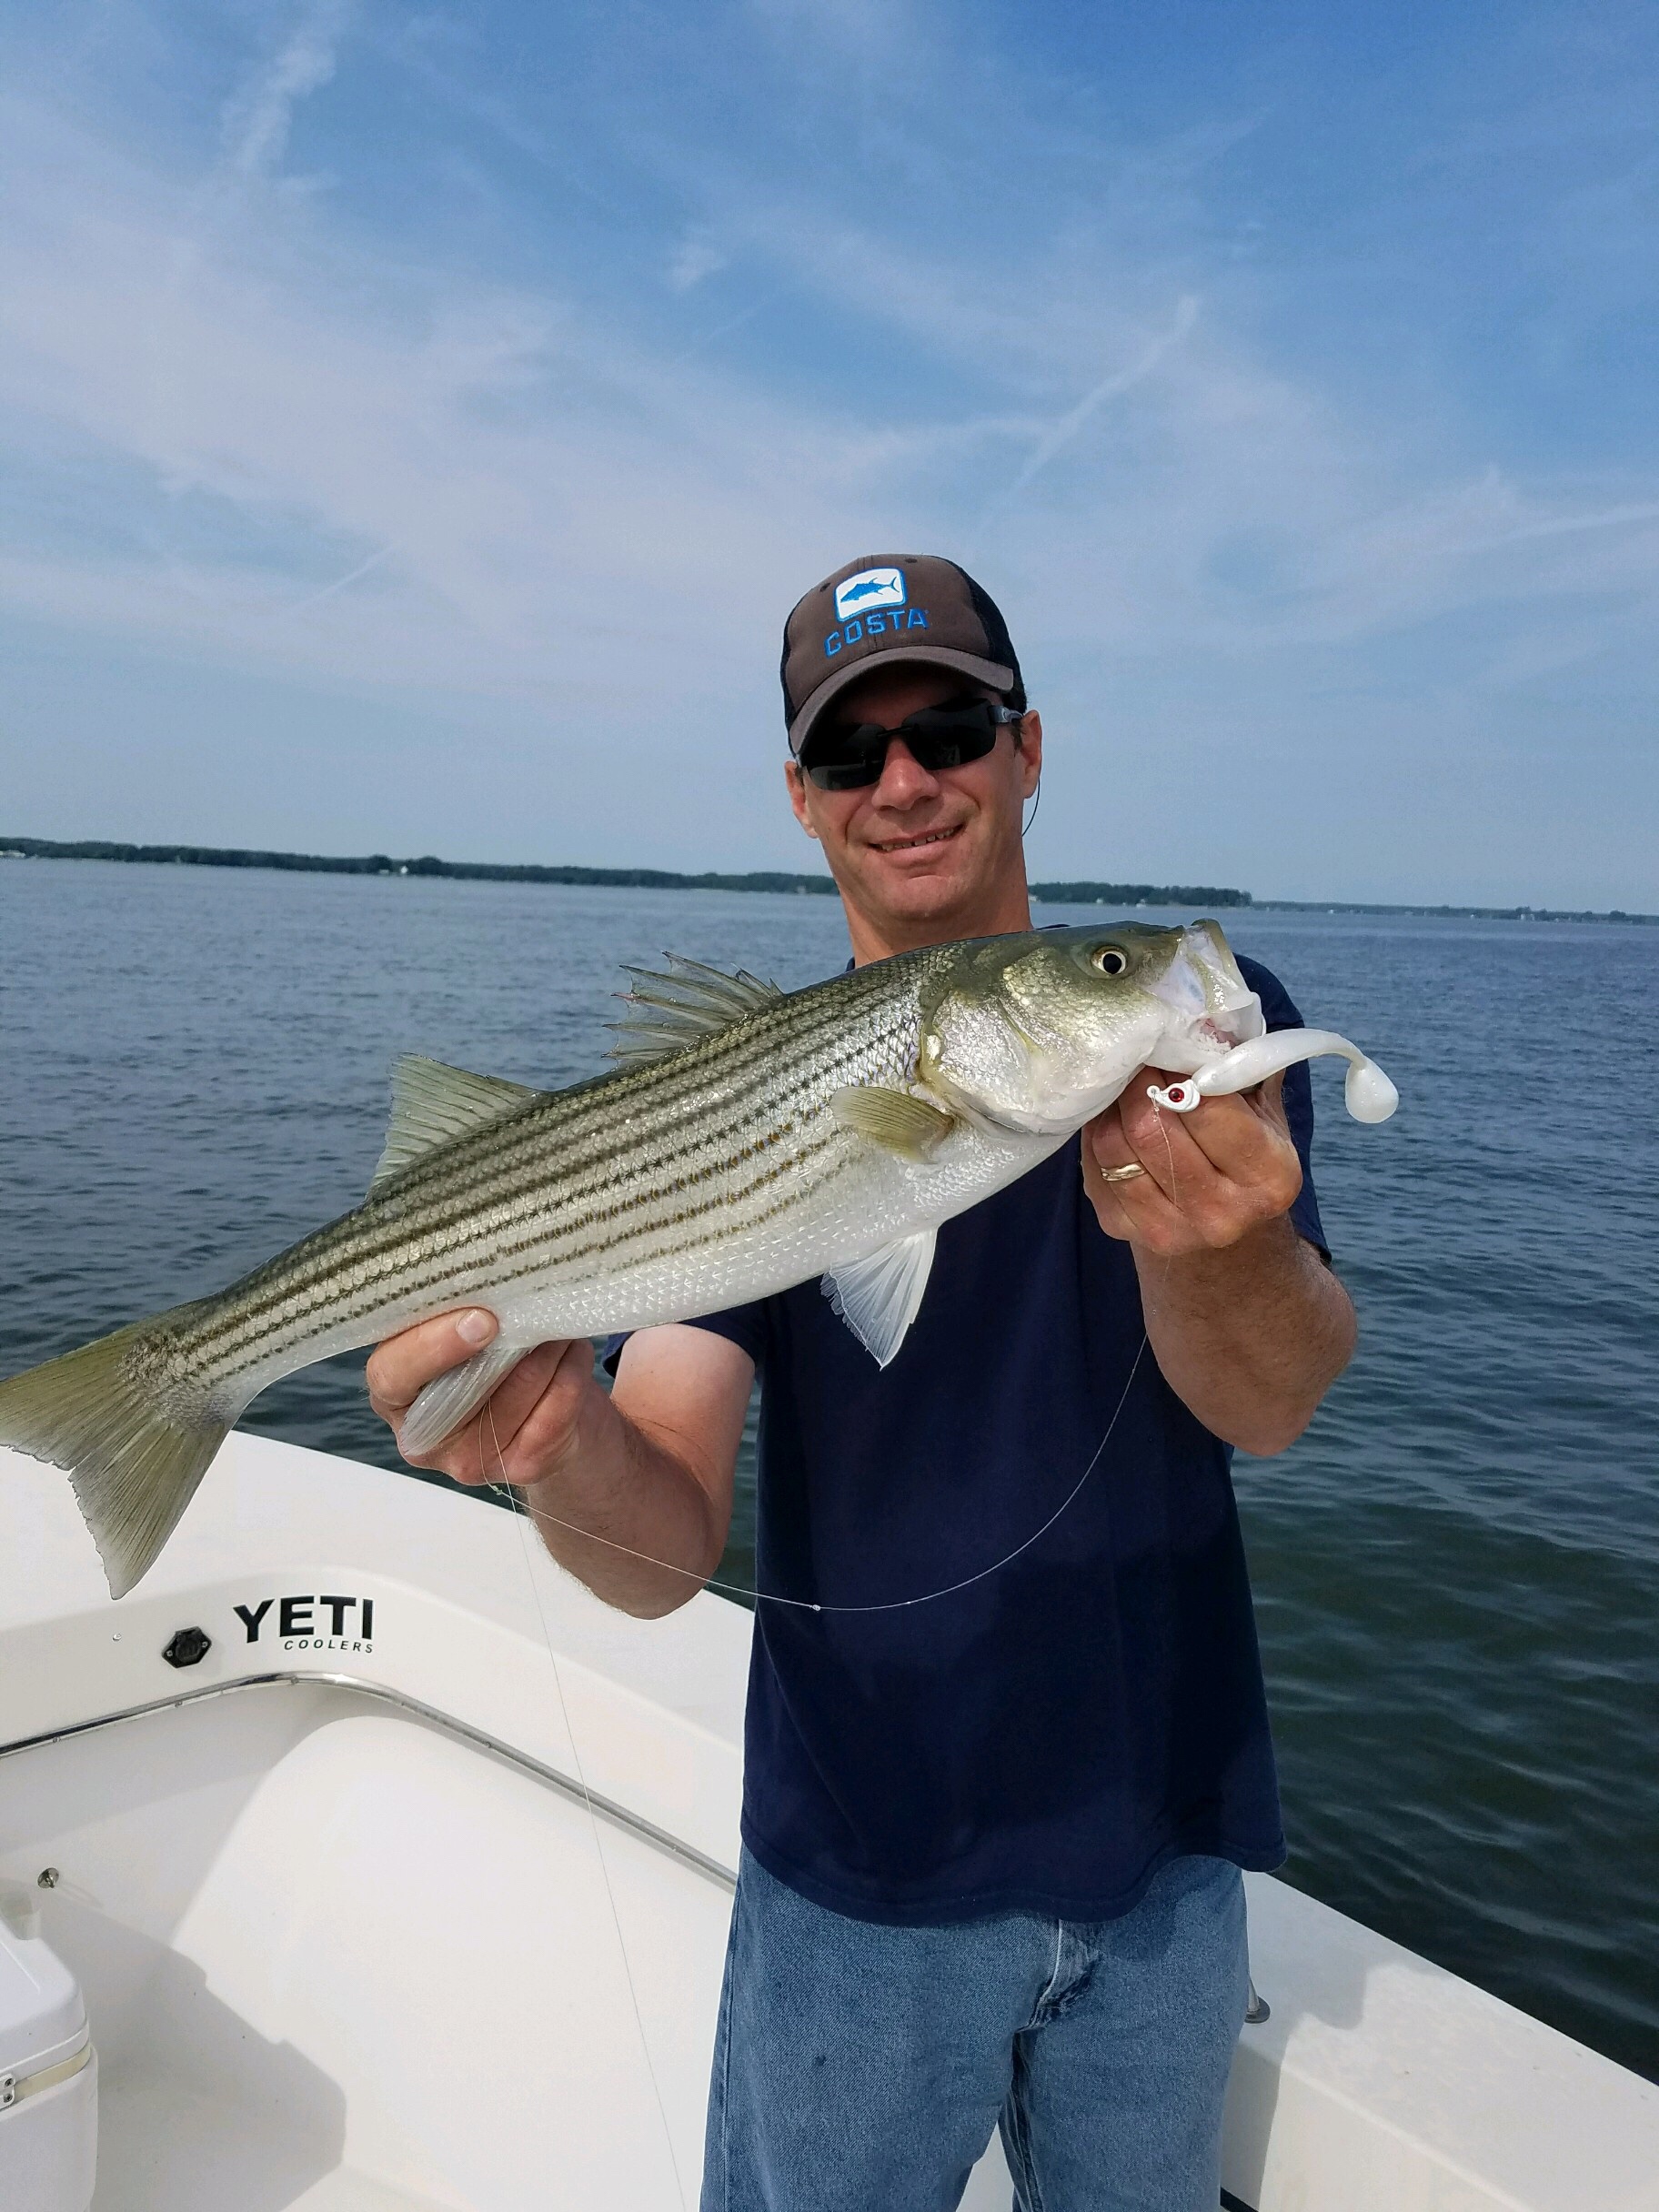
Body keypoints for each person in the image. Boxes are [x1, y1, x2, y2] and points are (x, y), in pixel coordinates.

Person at [366, 555, 1356, 2211]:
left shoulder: (1210, 1052)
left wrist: (1216, 1247)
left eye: (952, 729)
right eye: (852, 753)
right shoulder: (746, 1098)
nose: (906, 781)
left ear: (1028, 753)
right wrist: (561, 1443)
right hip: (861, 1881)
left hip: (1168, 1854)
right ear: (805, 802)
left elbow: (1270, 1403)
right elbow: (659, 1544)